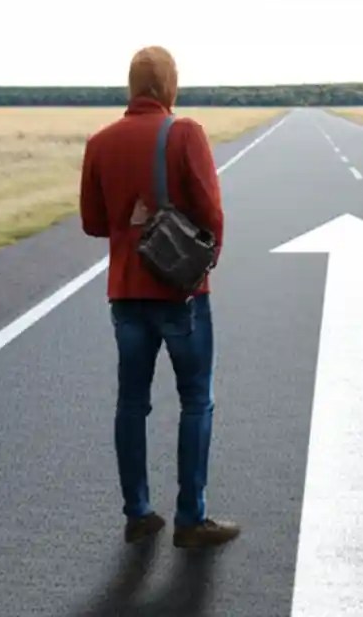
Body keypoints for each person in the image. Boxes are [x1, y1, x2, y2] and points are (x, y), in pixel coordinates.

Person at [79, 45, 240, 549]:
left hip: (125, 295)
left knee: (131, 403)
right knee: (196, 401)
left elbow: (91, 224)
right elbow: (212, 215)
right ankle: (191, 519)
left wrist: (133, 223)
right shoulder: (185, 133)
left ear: (131, 87)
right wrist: (199, 263)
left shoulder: (99, 142)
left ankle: (139, 514)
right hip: (181, 295)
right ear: (170, 87)